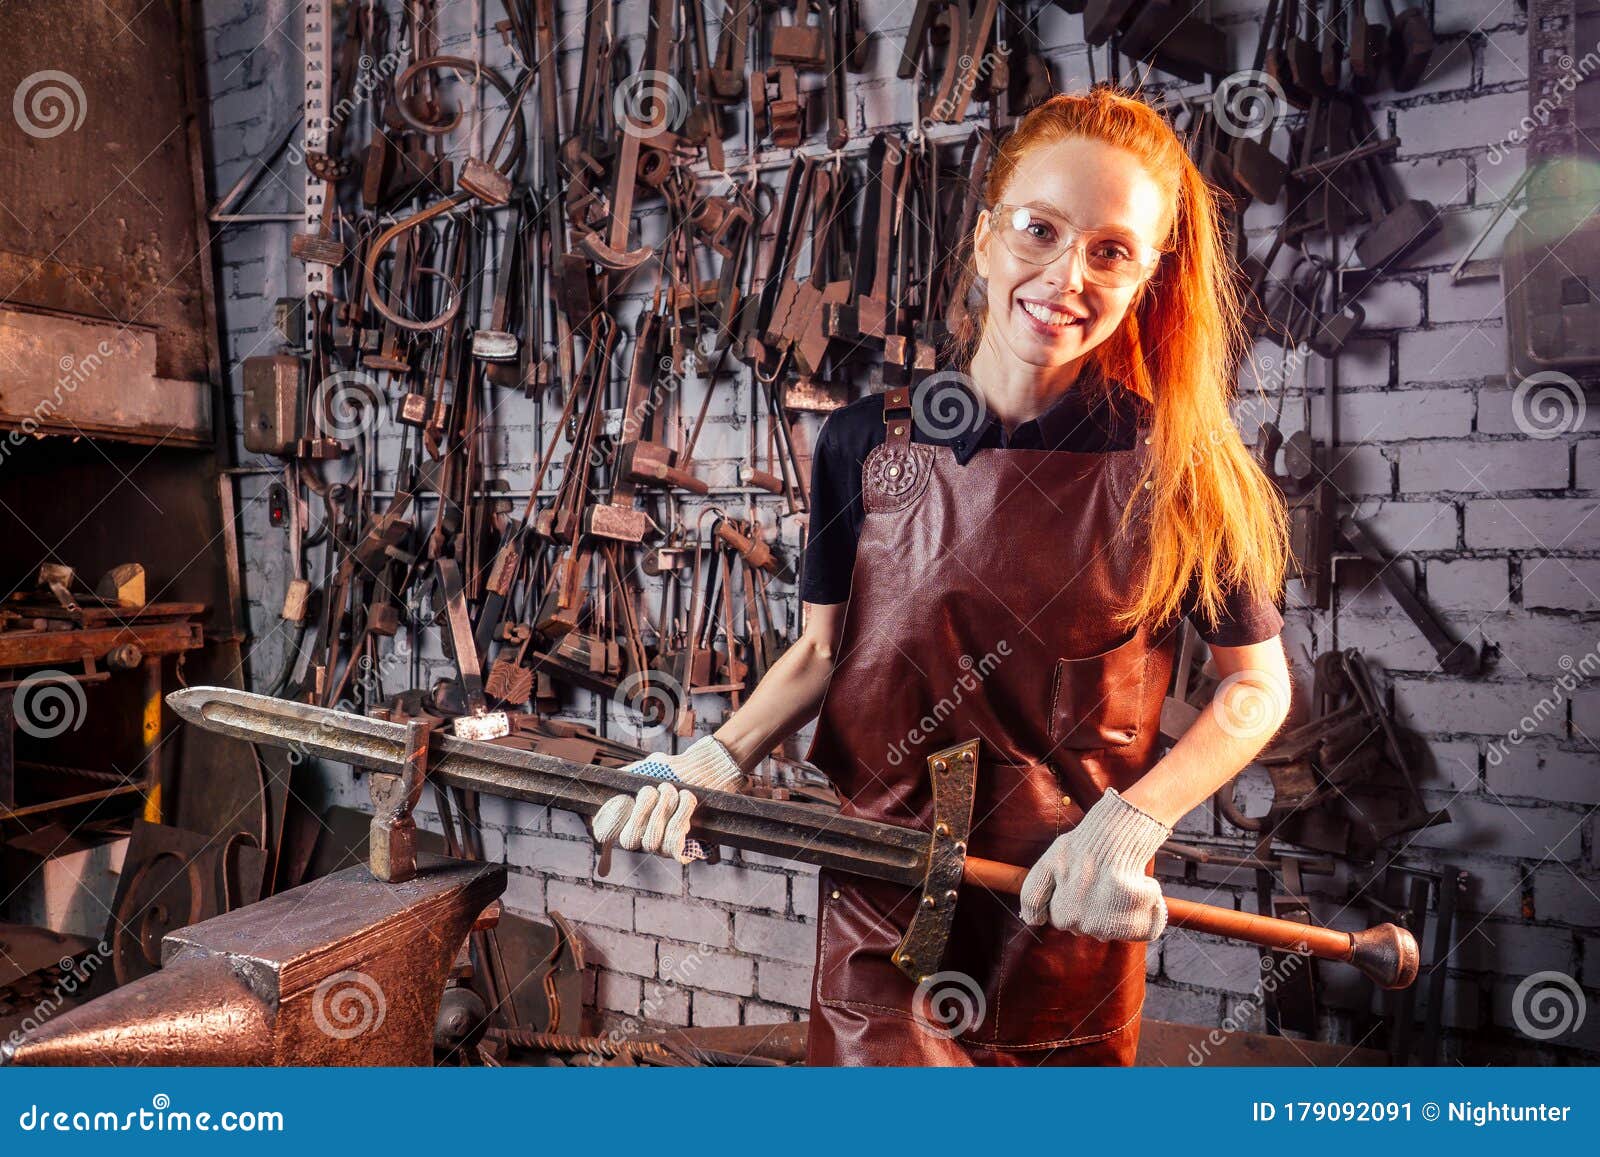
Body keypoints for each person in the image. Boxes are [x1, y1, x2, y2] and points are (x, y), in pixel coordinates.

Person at [588, 87, 1293, 1066]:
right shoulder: (858, 442)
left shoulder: (1176, 469)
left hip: (1061, 915)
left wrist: (1133, 820)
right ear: (983, 238)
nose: (1065, 275)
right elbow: (822, 650)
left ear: (1148, 278)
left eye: (1110, 250)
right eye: (1039, 230)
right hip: (883, 905)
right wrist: (713, 759)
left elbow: (1257, 686)